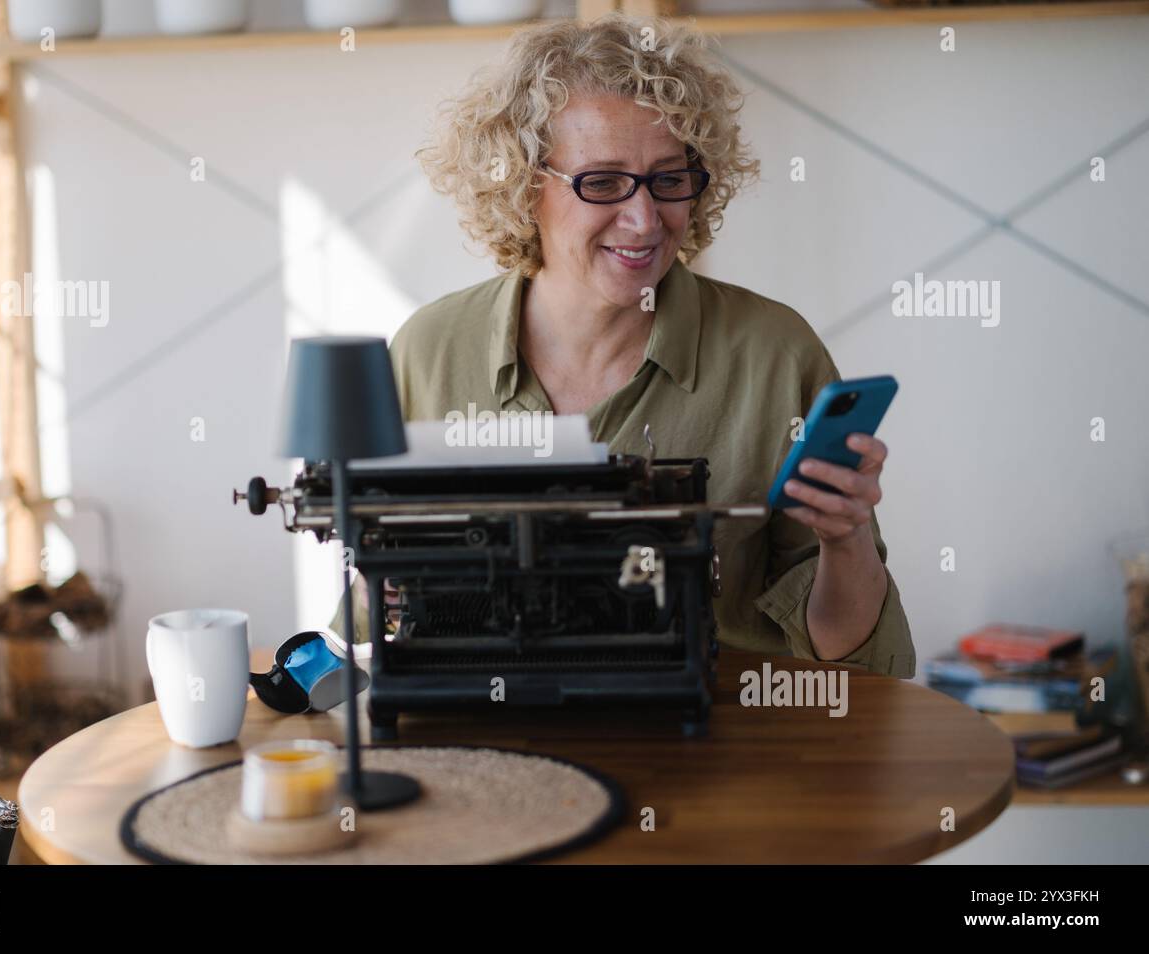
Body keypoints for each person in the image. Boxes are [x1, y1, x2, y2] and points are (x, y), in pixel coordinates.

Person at [330, 13, 915, 677]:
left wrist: (848, 539)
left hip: (719, 747)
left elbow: (851, 658)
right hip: (489, 735)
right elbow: (367, 628)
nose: (643, 221)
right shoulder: (428, 353)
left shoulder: (775, 354)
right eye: (602, 182)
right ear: (524, 187)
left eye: (668, 179)